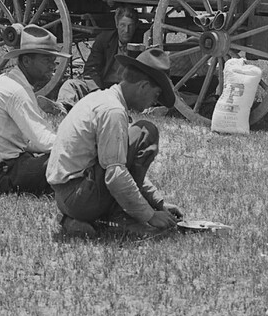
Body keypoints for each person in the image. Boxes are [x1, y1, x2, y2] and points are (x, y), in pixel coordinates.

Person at [48, 46, 186, 240]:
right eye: (156, 95)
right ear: (143, 86)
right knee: (145, 132)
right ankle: (122, 219)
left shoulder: (101, 99)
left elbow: (120, 165)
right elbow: (116, 175)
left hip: (65, 197)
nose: (153, 103)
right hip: (79, 197)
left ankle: (73, 220)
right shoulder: (113, 111)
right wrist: (150, 215)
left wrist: (158, 202)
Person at [0, 24, 67, 197]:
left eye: (53, 60)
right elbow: (43, 140)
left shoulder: (12, 83)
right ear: (27, 61)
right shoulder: (16, 91)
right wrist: (79, 145)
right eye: (46, 60)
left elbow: (30, 141)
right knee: (66, 161)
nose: (53, 65)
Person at [56, 5, 141, 110]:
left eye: (130, 26)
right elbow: (91, 69)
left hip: (123, 91)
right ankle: (63, 106)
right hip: (102, 87)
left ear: (136, 26)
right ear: (117, 24)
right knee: (71, 84)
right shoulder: (104, 39)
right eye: (123, 25)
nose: (126, 30)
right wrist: (97, 91)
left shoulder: (141, 44)